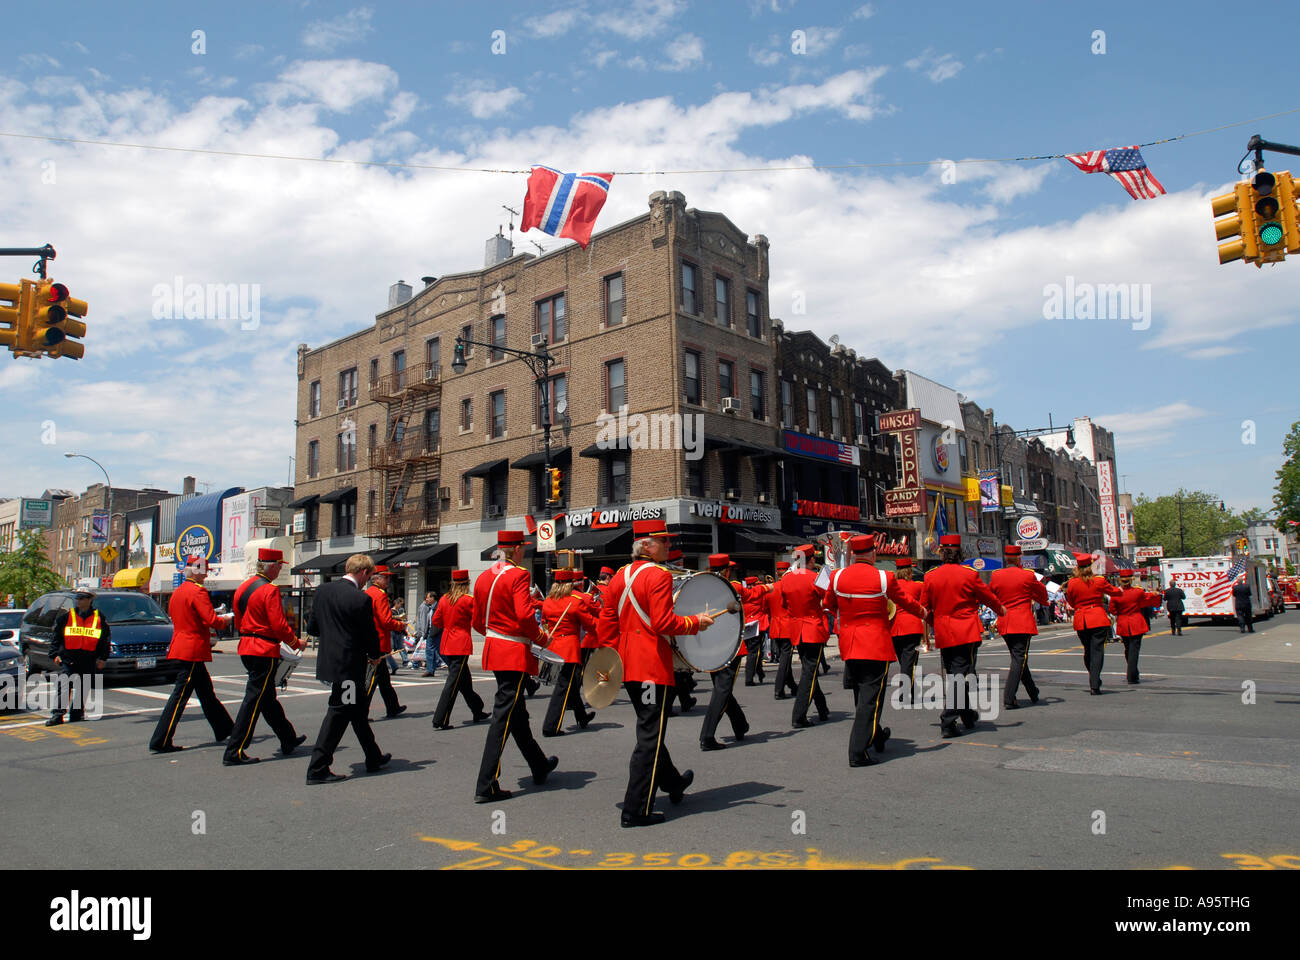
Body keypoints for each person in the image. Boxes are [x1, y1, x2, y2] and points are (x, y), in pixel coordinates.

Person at [595, 519, 713, 827]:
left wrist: (611, 661)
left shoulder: (619, 576)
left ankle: (672, 783)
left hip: (628, 665)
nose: (669, 545)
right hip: (650, 667)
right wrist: (694, 622)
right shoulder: (659, 576)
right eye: (664, 541)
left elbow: (605, 626)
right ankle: (636, 809)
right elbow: (662, 623)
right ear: (646, 545)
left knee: (651, 729)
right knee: (649, 735)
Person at [472, 530, 557, 804]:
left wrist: (497, 637)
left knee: (516, 714)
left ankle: (538, 764)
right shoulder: (518, 575)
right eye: (522, 548)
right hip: (513, 652)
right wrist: (542, 637)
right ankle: (486, 783)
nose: (523, 553)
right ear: (516, 550)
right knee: (503, 717)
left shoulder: (485, 576)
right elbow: (523, 615)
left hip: (496, 648)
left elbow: (476, 621)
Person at [826, 535, 926, 766]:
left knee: (861, 696)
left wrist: (847, 623)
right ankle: (857, 751)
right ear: (873, 554)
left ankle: (877, 735)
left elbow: (829, 605)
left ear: (852, 555)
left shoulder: (837, 576)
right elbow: (906, 602)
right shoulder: (884, 577)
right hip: (875, 643)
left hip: (850, 644)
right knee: (871, 699)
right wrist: (924, 614)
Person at [305, 554, 391, 784]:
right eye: (369, 576)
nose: (368, 581)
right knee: (340, 713)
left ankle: (373, 756)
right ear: (363, 572)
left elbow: (313, 628)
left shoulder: (323, 591)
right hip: (349, 667)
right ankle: (318, 767)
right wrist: (375, 656)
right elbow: (369, 634)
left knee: (357, 710)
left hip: (330, 661)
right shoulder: (359, 599)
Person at [224, 548, 308, 765]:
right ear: (272, 566)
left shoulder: (243, 587)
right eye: (279, 565)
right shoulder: (269, 590)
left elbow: (239, 616)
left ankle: (287, 737)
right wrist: (295, 643)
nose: (280, 569)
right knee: (253, 701)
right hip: (263, 649)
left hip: (247, 645)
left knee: (267, 698)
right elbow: (279, 625)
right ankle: (235, 750)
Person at [923, 535, 1005, 738]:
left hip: (944, 630)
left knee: (955, 675)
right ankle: (948, 719)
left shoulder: (931, 576)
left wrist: (936, 623)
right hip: (965, 631)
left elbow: (924, 608)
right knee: (962, 676)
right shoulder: (969, 575)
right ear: (959, 553)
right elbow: (987, 596)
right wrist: (1000, 610)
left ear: (942, 553)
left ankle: (967, 715)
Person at [150, 556, 234, 751]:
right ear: (196, 571)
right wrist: (226, 620)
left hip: (181, 646)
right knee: (180, 697)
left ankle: (225, 729)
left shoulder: (178, 592)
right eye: (204, 571)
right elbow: (213, 620)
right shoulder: (198, 592)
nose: (206, 575)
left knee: (206, 693)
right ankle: (161, 739)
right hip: (192, 649)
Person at [699, 553, 751, 749]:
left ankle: (740, 724)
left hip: (710, 647)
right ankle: (707, 736)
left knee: (723, 690)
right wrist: (772, 586)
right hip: (730, 648)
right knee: (722, 691)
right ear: (727, 570)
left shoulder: (702, 585)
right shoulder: (733, 586)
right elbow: (752, 595)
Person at [988, 545, 1048, 710]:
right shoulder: (1027, 575)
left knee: (1019, 658)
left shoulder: (996, 575)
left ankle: (1032, 692)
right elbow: (1042, 593)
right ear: (1019, 558)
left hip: (1005, 620)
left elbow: (991, 595)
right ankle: (1009, 696)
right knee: (1019, 658)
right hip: (1022, 620)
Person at [541, 569, 596, 736]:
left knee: (570, 685)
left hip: (554, 646)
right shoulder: (575, 601)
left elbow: (544, 623)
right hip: (569, 648)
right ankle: (550, 726)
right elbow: (590, 625)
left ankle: (582, 716)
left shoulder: (548, 601)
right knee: (563, 687)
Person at [431, 571, 488, 729]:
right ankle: (440, 718)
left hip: (446, 642)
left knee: (464, 681)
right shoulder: (468, 600)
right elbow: (477, 622)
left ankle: (477, 709)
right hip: (460, 643)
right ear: (466, 583)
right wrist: (487, 634)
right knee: (454, 682)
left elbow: (436, 620)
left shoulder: (444, 599)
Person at [781, 544, 830, 730]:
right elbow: (827, 598)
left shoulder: (786, 579)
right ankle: (798, 715)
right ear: (810, 559)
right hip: (813, 628)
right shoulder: (815, 577)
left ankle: (823, 708)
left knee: (810, 670)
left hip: (796, 629)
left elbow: (784, 604)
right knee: (809, 673)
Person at [45, 589, 110, 726]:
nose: (78, 600)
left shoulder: (99, 618)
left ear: (89, 600)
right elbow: (57, 637)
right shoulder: (67, 617)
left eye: (81, 598)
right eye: (78, 597)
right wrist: (55, 654)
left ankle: (76, 713)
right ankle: (58, 715)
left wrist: (103, 658)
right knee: (63, 686)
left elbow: (105, 640)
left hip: (88, 659)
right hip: (68, 658)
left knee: (83, 687)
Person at [1065, 552, 1123, 695]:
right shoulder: (1099, 580)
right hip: (1097, 617)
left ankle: (1094, 676)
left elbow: (1071, 602)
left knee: (1088, 650)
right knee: (1097, 651)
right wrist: (1120, 589)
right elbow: (1114, 592)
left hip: (1081, 619)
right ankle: (1095, 681)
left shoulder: (1072, 583)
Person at [363, 565, 407, 719]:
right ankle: (362, 711)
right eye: (386, 577)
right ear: (377, 578)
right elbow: (385, 620)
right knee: (373, 679)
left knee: (383, 679)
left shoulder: (368, 592)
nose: (388, 580)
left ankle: (392, 706)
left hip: (371, 639)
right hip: (379, 641)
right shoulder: (380, 594)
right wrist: (400, 625)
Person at [888, 557, 927, 704]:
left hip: (894, 628)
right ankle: (905, 694)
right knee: (909, 663)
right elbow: (923, 605)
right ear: (910, 571)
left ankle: (910, 691)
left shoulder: (891, 586)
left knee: (904, 662)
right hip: (912, 627)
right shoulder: (917, 586)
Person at [1112, 569, 1161, 684]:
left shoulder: (1116, 594)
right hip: (1136, 622)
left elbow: (1112, 610)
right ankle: (1132, 675)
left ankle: (1133, 672)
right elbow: (1147, 598)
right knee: (1134, 650)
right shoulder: (1137, 592)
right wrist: (1155, 594)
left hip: (1123, 622)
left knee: (1128, 649)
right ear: (1131, 580)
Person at [768, 561, 799, 700]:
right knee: (785, 660)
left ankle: (792, 686)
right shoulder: (789, 587)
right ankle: (778, 689)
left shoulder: (771, 588)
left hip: (775, 625)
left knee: (784, 657)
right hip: (787, 625)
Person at [741, 575, 769, 686]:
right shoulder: (758, 594)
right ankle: (749, 677)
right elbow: (766, 606)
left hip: (746, 624)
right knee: (754, 652)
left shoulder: (743, 594)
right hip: (758, 624)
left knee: (753, 651)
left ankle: (760, 672)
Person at [417, 589, 443, 675]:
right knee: (429, 650)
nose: (426, 599)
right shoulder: (430, 608)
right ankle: (430, 670)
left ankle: (452, 667)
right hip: (430, 632)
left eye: (428, 598)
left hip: (438, 632)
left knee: (441, 651)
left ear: (433, 598)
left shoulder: (439, 606)